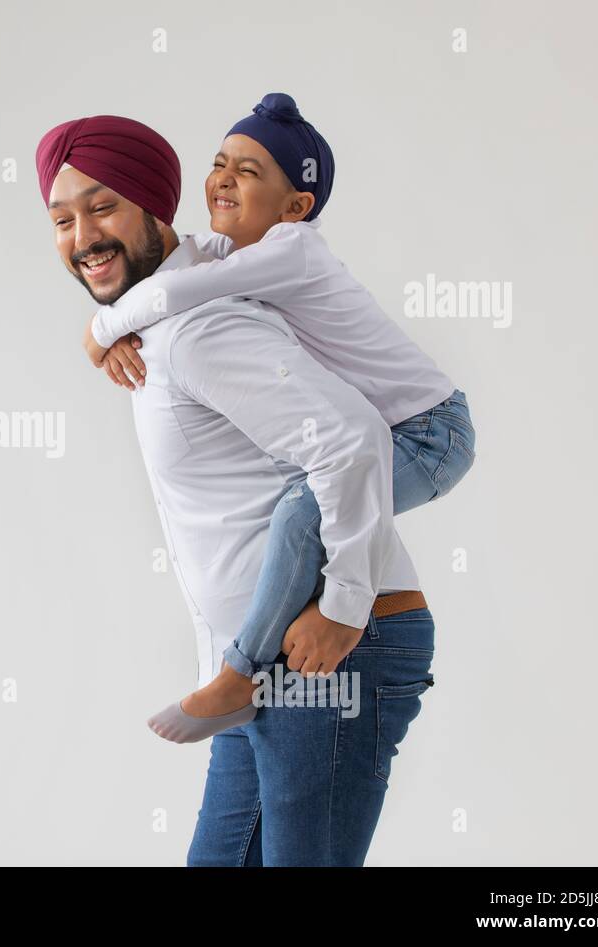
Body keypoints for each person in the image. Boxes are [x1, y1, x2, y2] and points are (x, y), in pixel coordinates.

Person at [37, 114, 437, 864]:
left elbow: (351, 441)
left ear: (158, 209)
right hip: (263, 669)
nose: (83, 236)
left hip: (327, 649)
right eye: (62, 220)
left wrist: (346, 609)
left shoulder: (200, 328)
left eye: (102, 207)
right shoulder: (164, 320)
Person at [75, 94, 475, 743]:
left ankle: (242, 671)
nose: (223, 179)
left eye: (249, 171)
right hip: (399, 429)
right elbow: (174, 265)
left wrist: (100, 330)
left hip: (431, 432)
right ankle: (239, 672)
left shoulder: (293, 249)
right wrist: (119, 317)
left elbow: (174, 291)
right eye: (219, 163)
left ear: (296, 208)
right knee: (306, 505)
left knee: (301, 510)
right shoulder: (232, 252)